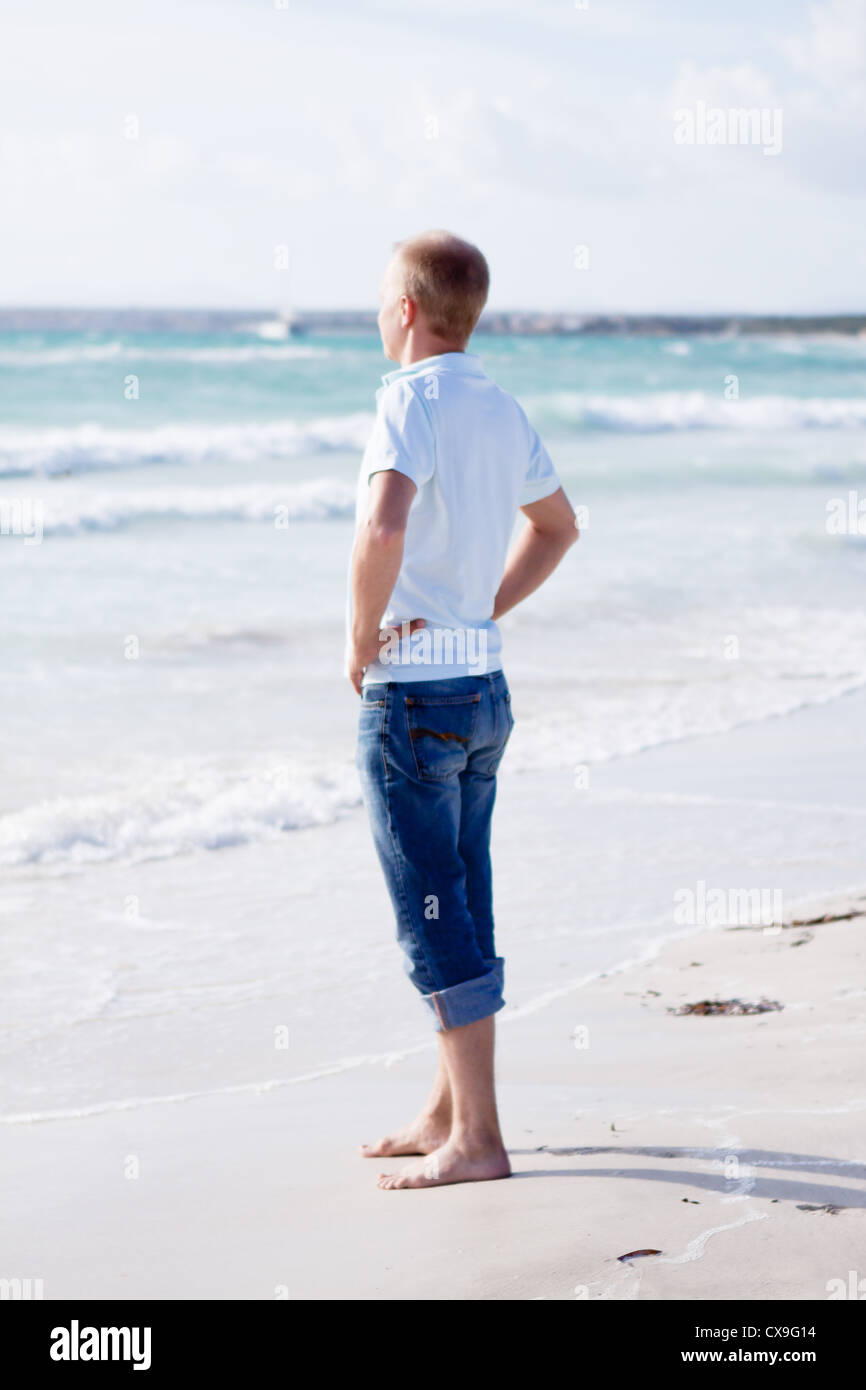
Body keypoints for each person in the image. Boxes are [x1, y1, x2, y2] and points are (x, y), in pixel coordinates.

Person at [347, 230, 578, 1189]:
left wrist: (361, 640)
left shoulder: (408, 400)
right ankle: (446, 1110)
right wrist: (478, 613)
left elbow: (383, 524)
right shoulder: (498, 403)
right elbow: (559, 528)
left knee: (432, 915)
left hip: (414, 702)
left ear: (405, 309)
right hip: (482, 692)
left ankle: (478, 1140)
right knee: (463, 896)